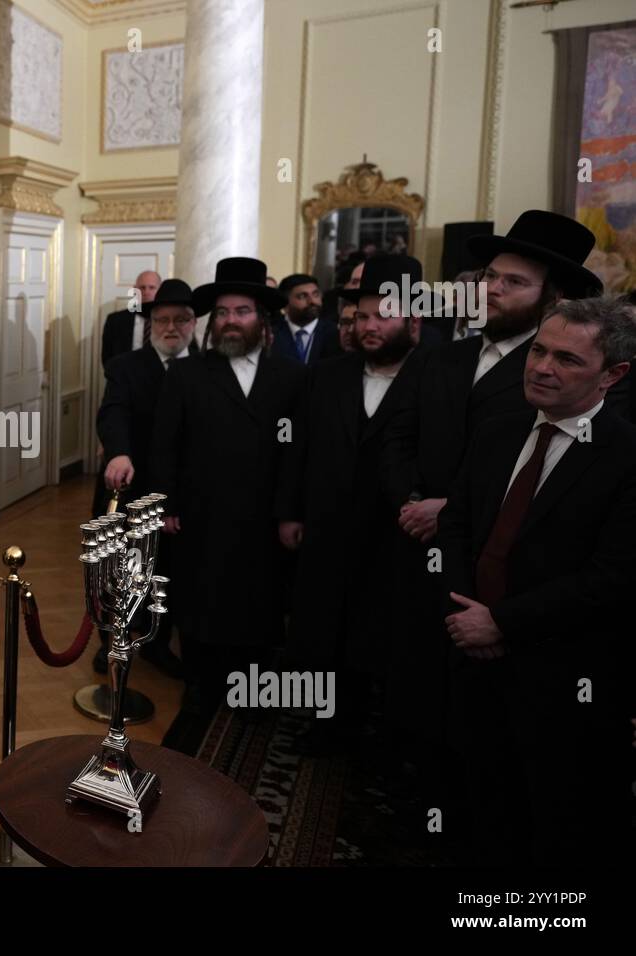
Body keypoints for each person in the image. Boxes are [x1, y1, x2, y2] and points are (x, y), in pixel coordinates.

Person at [380, 209, 605, 833]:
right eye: (489, 277)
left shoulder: (558, 373)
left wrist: (447, 509)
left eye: (513, 283)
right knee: (416, 676)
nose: (491, 290)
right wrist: (410, 503)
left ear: (552, 298)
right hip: (417, 545)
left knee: (484, 706)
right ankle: (418, 786)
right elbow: (397, 434)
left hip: (496, 567)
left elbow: (553, 481)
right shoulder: (438, 358)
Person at [439, 296, 636, 864]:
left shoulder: (627, 458)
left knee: (558, 825)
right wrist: (462, 614)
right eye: (539, 351)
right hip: (471, 662)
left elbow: (613, 577)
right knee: (482, 810)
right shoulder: (496, 432)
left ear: (613, 375)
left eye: (568, 360)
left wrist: (499, 622)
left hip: (565, 681)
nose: (542, 367)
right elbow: (455, 528)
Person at [276, 255, 428, 753]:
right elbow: (298, 449)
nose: (369, 325)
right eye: (362, 316)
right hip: (328, 530)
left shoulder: (436, 379)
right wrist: (291, 512)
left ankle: (391, 734)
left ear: (413, 320)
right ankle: (328, 725)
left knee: (386, 637)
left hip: (397, 539)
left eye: (383, 315)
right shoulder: (326, 375)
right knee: (324, 632)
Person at [153, 258, 305, 727]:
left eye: (242, 311)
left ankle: (252, 693)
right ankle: (200, 690)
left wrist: (290, 512)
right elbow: (165, 445)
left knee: (257, 611)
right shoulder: (186, 375)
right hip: (201, 516)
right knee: (199, 608)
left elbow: (298, 452)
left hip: (264, 518)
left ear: (261, 318)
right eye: (222, 313)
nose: (231, 321)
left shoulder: (291, 377)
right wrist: (169, 503)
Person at [90, 278, 198, 679]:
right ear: (151, 323)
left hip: (181, 495)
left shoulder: (206, 368)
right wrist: (118, 450)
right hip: (130, 487)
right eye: (163, 319)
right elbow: (112, 412)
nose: (171, 328)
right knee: (121, 571)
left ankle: (156, 643)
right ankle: (111, 643)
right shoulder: (126, 367)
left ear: (194, 324)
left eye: (181, 320)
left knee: (166, 575)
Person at [271, 273, 339, 364]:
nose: (312, 301)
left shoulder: (334, 332)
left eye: (316, 294)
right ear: (285, 304)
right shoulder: (270, 332)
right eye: (302, 296)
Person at [101, 270, 161, 369]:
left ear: (160, 290)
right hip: (123, 380)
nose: (146, 292)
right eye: (142, 288)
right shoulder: (115, 321)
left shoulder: (170, 322)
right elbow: (107, 358)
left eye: (151, 287)